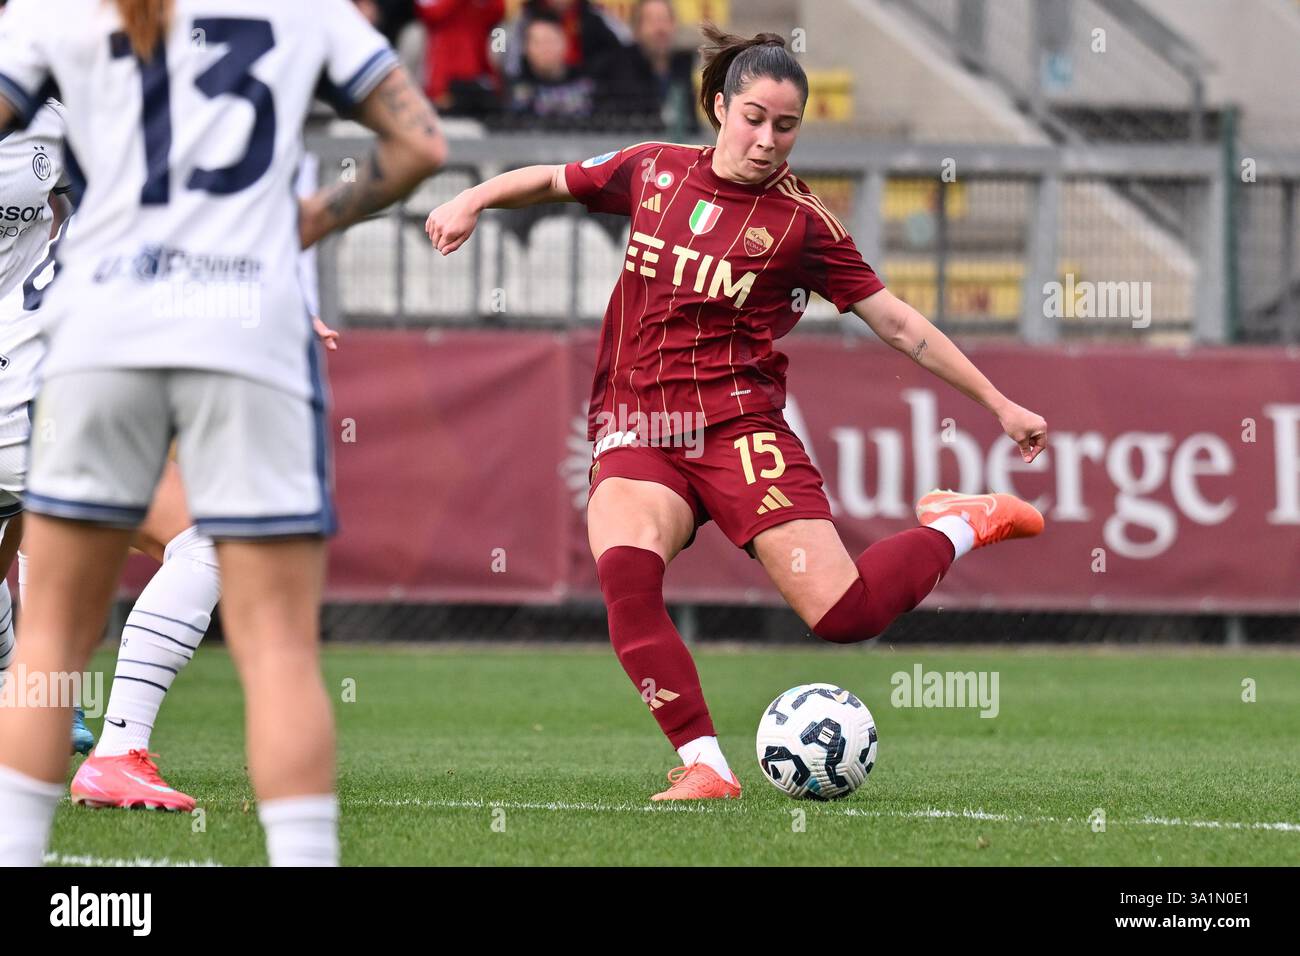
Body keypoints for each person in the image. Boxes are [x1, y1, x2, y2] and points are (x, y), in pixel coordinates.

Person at [427, 25, 1047, 801]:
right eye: (753, 117)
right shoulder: (652, 169)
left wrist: (998, 402)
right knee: (626, 571)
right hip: (641, 424)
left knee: (845, 615)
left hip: (739, 428)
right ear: (720, 107)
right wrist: (473, 196)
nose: (766, 140)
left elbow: (898, 323)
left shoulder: (802, 224)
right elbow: (554, 178)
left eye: (785, 126)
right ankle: (707, 766)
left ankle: (960, 521)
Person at [0, 0, 446, 866]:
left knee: (51, 631)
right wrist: (298, 229)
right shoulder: (303, 10)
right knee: (275, 641)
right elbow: (421, 146)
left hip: (85, 341)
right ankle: (124, 752)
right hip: (238, 334)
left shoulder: (53, 19)